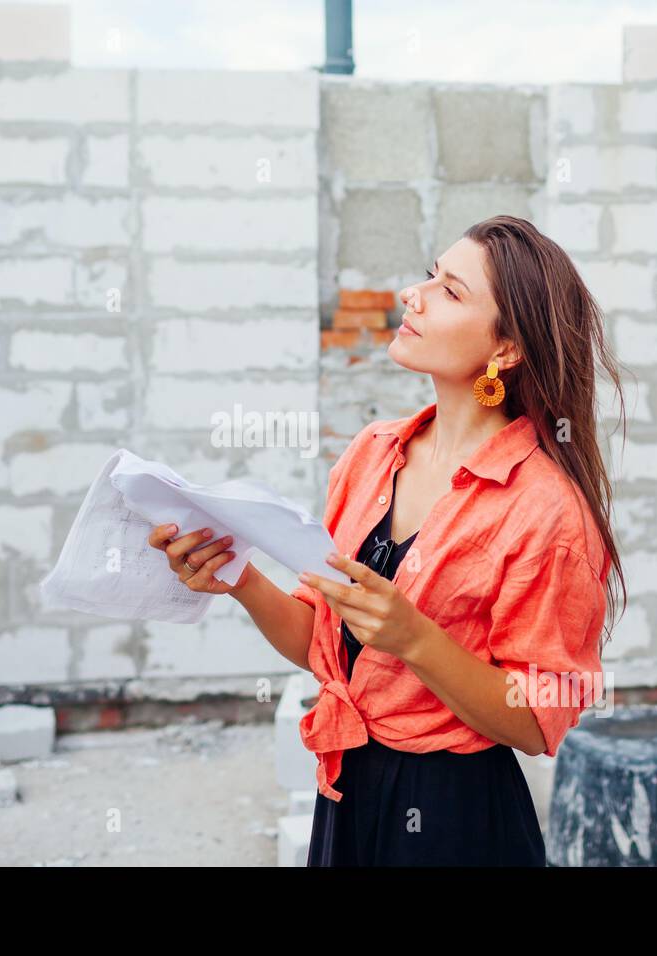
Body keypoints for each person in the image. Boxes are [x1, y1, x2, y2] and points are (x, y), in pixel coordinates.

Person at [147, 215, 628, 866]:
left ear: (506, 350)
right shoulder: (372, 454)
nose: (415, 294)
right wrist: (240, 578)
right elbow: (326, 647)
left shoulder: (548, 510)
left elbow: (540, 720)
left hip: (456, 821)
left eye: (451, 291)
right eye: (431, 274)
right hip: (344, 793)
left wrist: (415, 638)